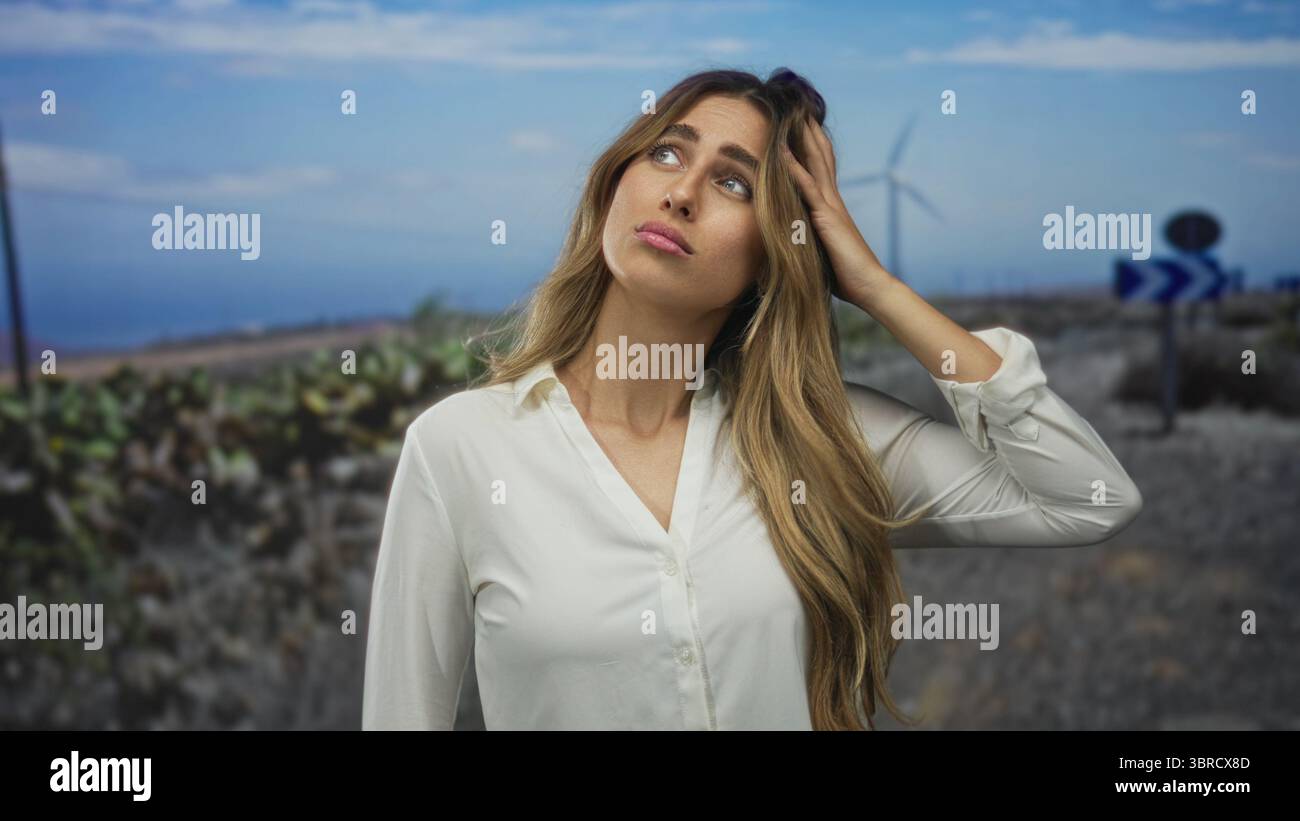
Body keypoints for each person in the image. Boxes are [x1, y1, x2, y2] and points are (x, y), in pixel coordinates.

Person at [361, 67, 1143, 731]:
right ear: (614, 186)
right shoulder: (460, 448)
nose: (682, 193)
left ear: (776, 253)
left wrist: (872, 284)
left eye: (732, 181)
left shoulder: (825, 441)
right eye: (667, 152)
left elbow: (1086, 498)